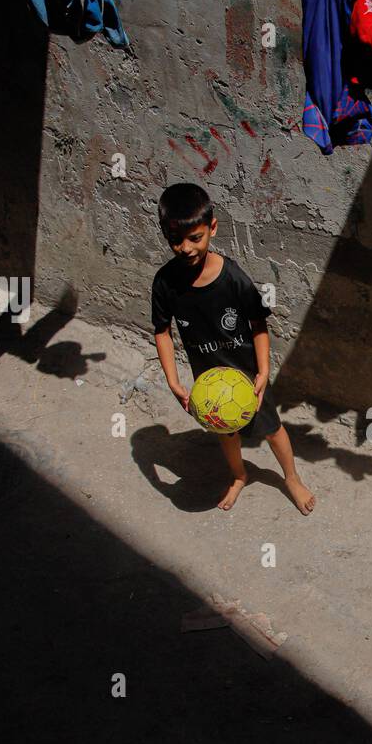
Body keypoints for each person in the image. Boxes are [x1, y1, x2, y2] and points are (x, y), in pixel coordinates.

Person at [150, 183, 315, 514]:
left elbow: (258, 325)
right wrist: (172, 380)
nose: (184, 248)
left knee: (271, 430)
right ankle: (239, 475)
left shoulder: (233, 279)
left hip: (248, 377)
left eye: (194, 238)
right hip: (209, 381)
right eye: (175, 240)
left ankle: (291, 477)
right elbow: (162, 332)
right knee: (226, 434)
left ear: (212, 227)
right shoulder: (165, 283)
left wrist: (264, 372)